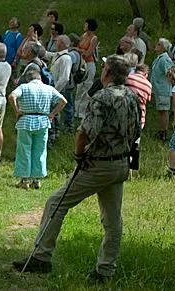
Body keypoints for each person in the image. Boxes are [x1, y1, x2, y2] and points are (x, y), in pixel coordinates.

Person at [14, 56, 141, 283]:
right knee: (113, 220)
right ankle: (105, 270)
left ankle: (41, 256)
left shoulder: (102, 98)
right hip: (121, 162)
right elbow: (136, 131)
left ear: (108, 73)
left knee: (56, 203)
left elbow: (85, 132)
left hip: (98, 164)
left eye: (104, 68)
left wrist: (79, 155)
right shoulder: (132, 96)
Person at [10, 64, 67, 189]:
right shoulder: (48, 88)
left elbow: (12, 96)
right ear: (40, 78)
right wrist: (52, 114)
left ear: (28, 78)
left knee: (24, 149)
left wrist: (17, 111)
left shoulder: (24, 87)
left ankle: (25, 180)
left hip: (26, 121)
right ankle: (37, 179)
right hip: (43, 121)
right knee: (40, 150)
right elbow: (63, 101)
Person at [124, 59, 152, 178]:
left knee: (123, 141)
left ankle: (122, 170)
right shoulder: (148, 84)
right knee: (134, 144)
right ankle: (130, 171)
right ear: (146, 74)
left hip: (125, 113)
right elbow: (148, 100)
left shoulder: (128, 78)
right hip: (140, 117)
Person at [150, 39, 175, 140]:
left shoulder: (164, 59)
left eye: (159, 44)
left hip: (163, 89)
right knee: (161, 110)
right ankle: (161, 130)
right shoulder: (159, 58)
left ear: (163, 47)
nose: (156, 45)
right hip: (158, 88)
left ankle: (164, 132)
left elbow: (169, 73)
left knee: (164, 110)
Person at [75, 19, 100, 118]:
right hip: (82, 63)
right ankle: (76, 110)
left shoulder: (94, 38)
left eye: (86, 24)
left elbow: (89, 52)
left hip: (89, 63)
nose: (84, 25)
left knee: (87, 86)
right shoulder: (83, 36)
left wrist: (78, 50)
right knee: (79, 87)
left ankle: (83, 111)